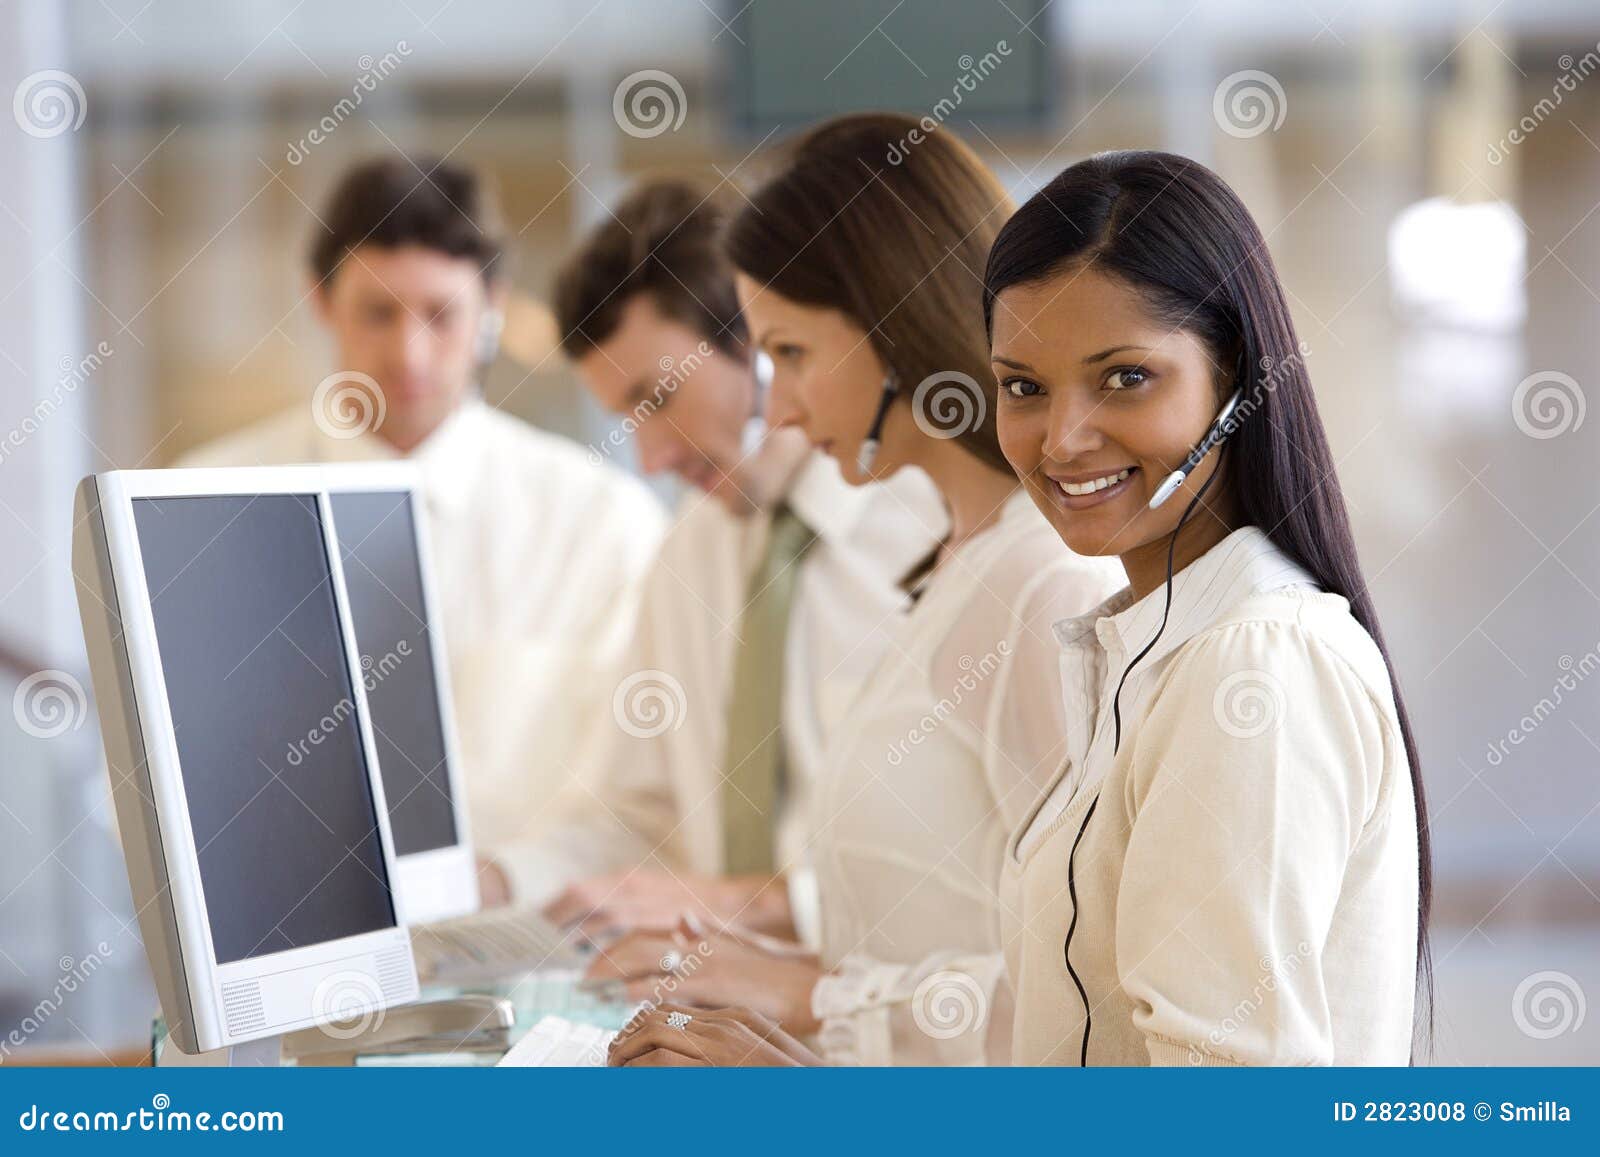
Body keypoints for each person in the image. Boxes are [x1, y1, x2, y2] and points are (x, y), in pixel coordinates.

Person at [611, 149, 1431, 1069]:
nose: (1065, 438)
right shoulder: (1147, 647)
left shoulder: (1253, 665)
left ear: (1237, 376)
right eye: (1024, 388)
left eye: (1126, 377)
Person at [599, 115, 1124, 1066]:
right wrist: (765, 979)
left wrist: (819, 1004)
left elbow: (1099, 991)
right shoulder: (959, 565)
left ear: (891, 318)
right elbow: (945, 912)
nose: (784, 408)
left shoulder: (1044, 583)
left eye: (792, 354)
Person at [178, 156, 666, 903]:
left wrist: (485, 883)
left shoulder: (600, 522)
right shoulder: (203, 507)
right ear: (319, 302)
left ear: (494, 305)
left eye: (441, 315)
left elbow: (647, 800)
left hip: (538, 970)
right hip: (279, 955)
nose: (409, 353)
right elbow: (156, 776)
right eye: (377, 312)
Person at [507, 178, 948, 941]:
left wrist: (751, 909)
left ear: (759, 340)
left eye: (656, 399)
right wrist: (489, 881)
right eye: (625, 419)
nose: (649, 457)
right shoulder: (689, 554)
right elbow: (632, 810)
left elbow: (972, 860)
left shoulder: (936, 526)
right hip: (724, 1019)